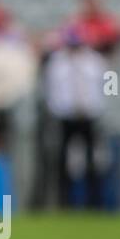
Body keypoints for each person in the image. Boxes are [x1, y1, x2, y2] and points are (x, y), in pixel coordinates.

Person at [43, 29, 108, 209]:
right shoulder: (57, 62)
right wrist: (55, 108)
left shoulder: (96, 61)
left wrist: (104, 104)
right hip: (66, 117)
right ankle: (65, 202)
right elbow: (50, 88)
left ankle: (95, 202)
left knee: (93, 159)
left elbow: (110, 83)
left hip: (90, 116)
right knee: (63, 160)